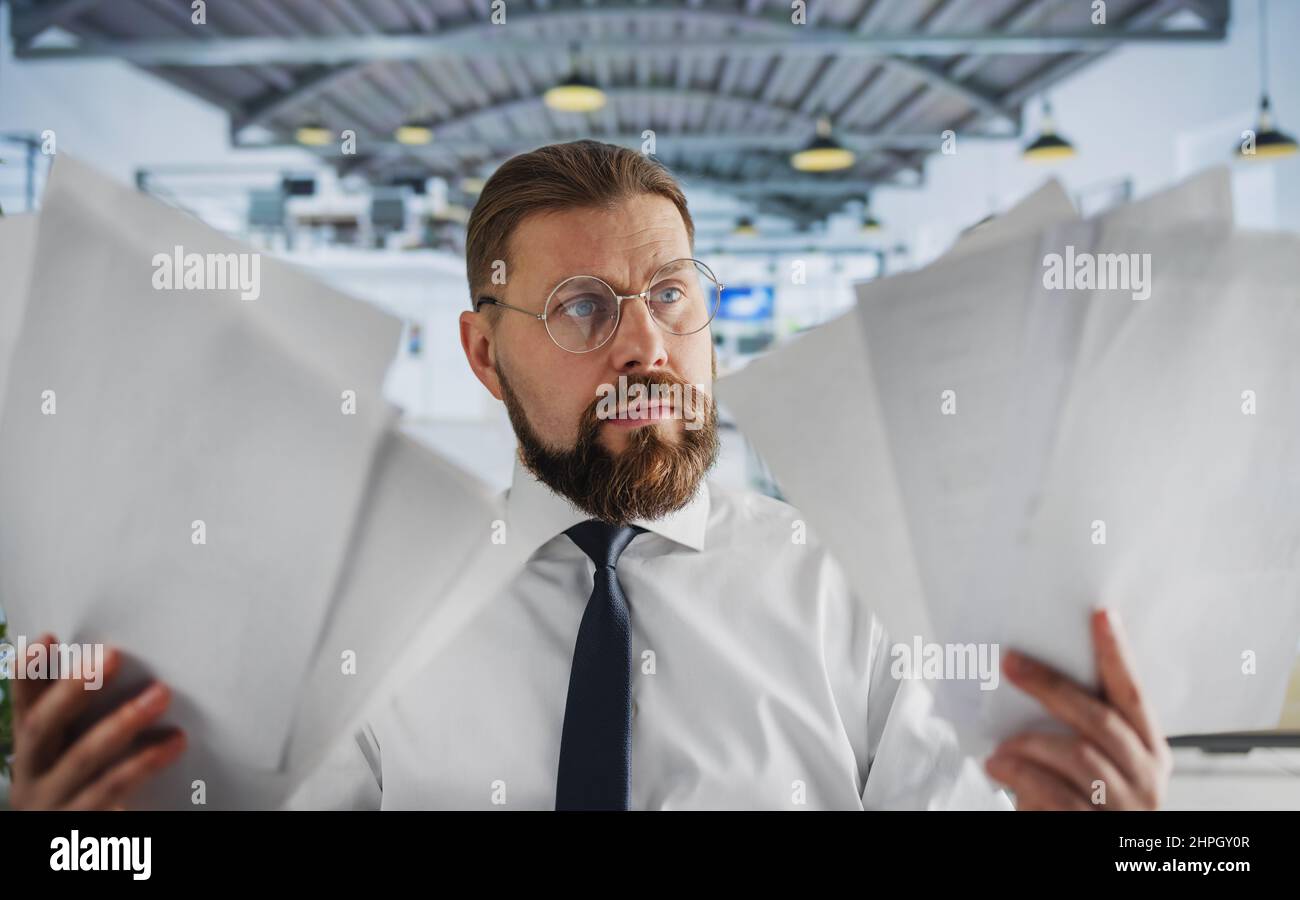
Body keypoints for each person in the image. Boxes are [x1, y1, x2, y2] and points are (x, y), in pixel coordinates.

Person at [8, 140, 1171, 811]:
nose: (645, 346)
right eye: (581, 308)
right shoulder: (364, 621)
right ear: (481, 350)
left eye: (671, 294)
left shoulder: (859, 599)